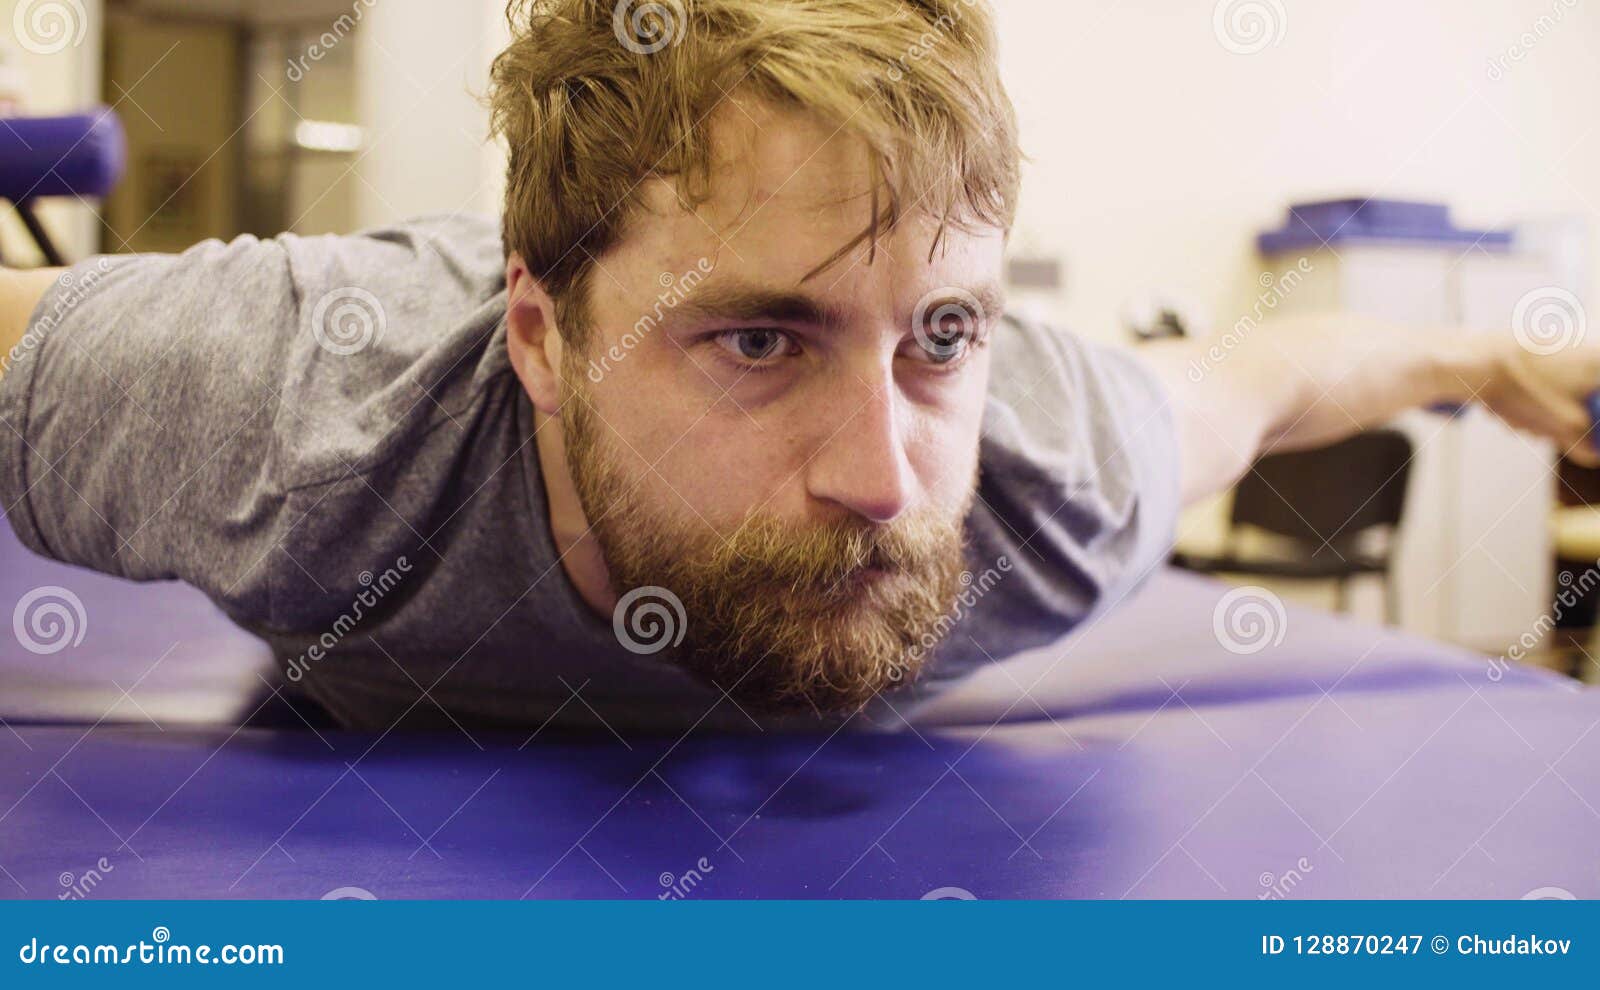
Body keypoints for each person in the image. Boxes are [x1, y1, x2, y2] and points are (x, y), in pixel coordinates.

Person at [1, 0, 1596, 732]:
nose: (883, 476)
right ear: (547, 342)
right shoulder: (286, 412)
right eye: (760, 337)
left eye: (942, 334)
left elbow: (1267, 383)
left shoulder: (1043, 486)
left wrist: (1482, 352)